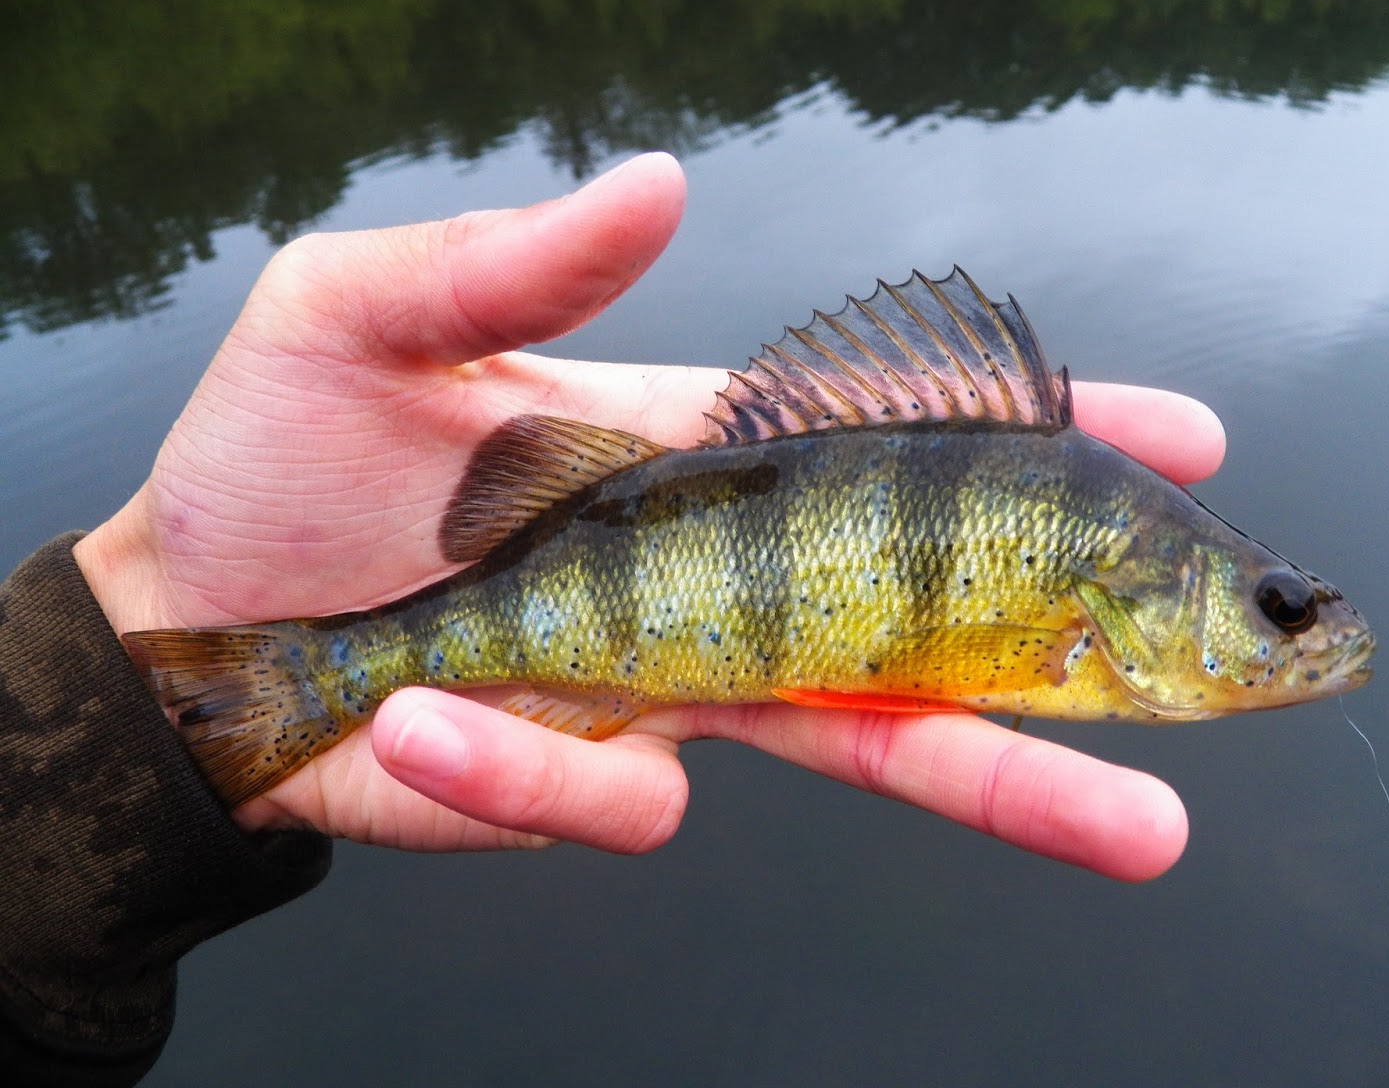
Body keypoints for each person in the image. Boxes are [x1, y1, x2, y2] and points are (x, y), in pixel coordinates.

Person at [0, 153, 1224, 1084]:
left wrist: (106, 714)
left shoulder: (1096, 527)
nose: (1294, 632)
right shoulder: (1097, 546)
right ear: (1163, 585)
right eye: (1279, 609)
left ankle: (253, 696)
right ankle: (299, 681)